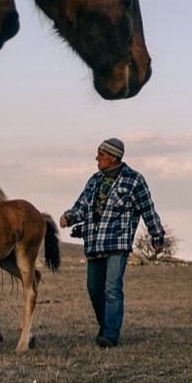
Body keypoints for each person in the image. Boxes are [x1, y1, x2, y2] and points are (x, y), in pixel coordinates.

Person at [60, 137, 167, 347]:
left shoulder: (134, 180)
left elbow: (148, 210)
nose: (96, 158)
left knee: (112, 289)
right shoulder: (93, 180)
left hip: (117, 244)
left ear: (113, 157)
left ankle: (110, 334)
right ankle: (105, 326)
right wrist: (69, 216)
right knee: (94, 290)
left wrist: (157, 235)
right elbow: (80, 206)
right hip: (93, 242)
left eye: (100, 154)